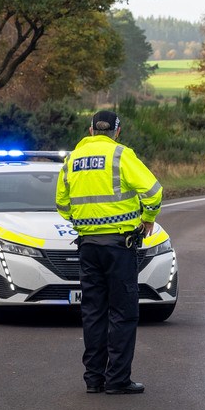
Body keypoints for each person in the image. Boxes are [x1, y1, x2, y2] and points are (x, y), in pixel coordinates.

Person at [56, 109, 163, 395]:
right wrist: (148, 217)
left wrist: (84, 220)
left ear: (90, 131)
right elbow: (154, 191)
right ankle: (117, 379)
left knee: (93, 312)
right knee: (123, 313)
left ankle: (93, 379)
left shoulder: (72, 159)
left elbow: (62, 204)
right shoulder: (121, 155)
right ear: (117, 131)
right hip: (119, 246)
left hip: (88, 245)